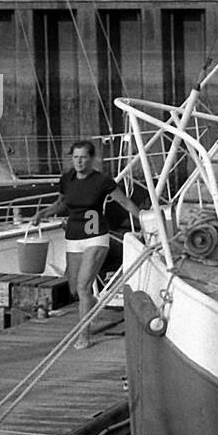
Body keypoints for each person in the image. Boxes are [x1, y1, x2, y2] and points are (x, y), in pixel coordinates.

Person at [33, 140, 142, 349]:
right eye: (75, 157)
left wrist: (145, 220)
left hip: (96, 236)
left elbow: (125, 202)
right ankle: (90, 304)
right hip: (74, 237)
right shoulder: (67, 179)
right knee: (74, 289)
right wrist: (42, 213)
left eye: (83, 157)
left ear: (91, 159)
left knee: (83, 287)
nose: (79, 161)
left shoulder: (102, 181)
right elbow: (62, 203)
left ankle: (84, 336)